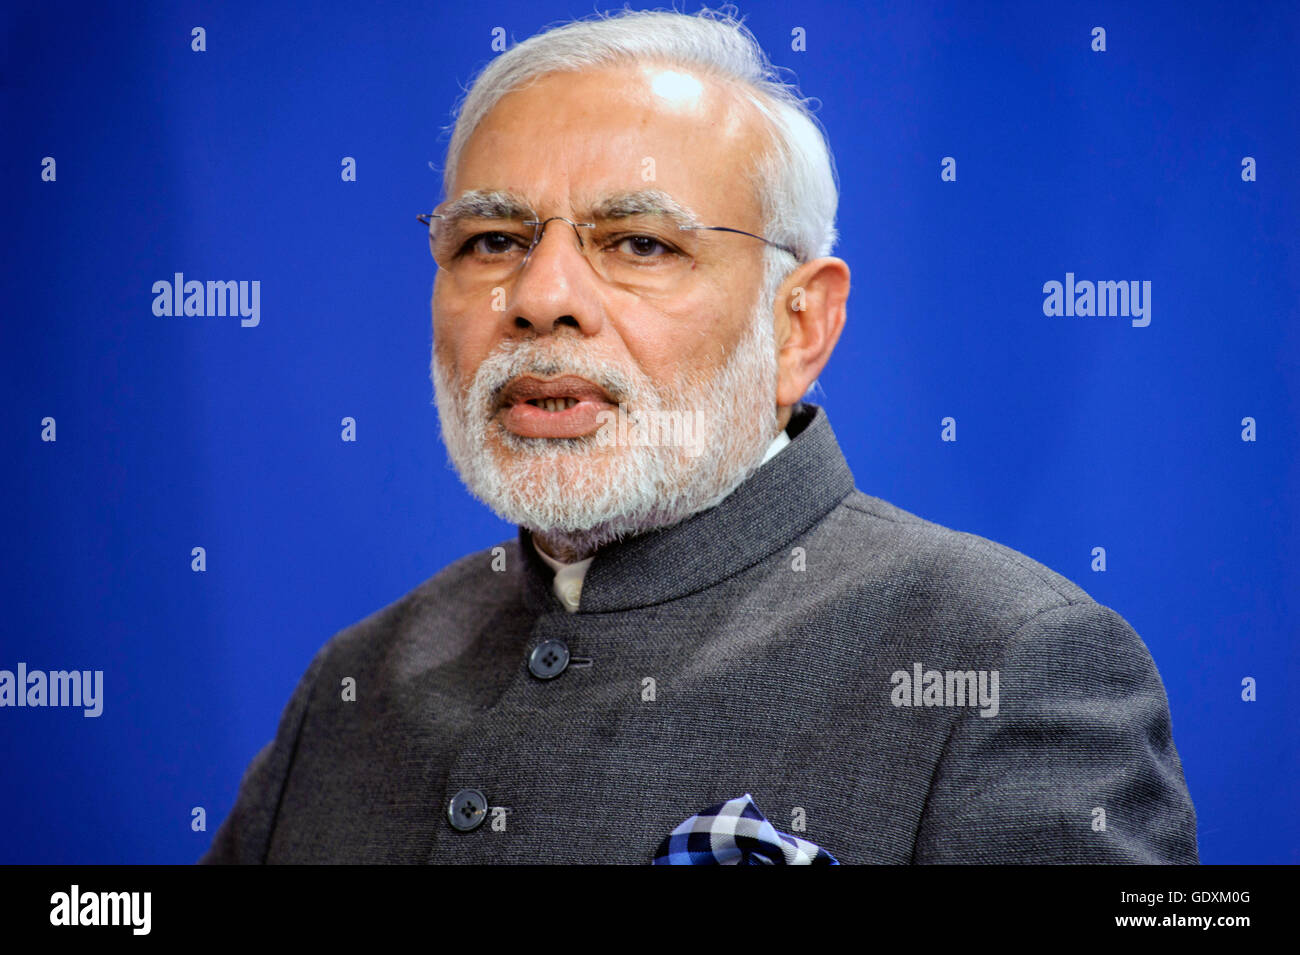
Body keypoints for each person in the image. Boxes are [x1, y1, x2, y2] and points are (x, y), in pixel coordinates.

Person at [201, 7, 1197, 864]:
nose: (540, 297)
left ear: (797, 326)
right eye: (492, 242)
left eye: (639, 242)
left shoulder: (1008, 663)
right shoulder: (355, 683)